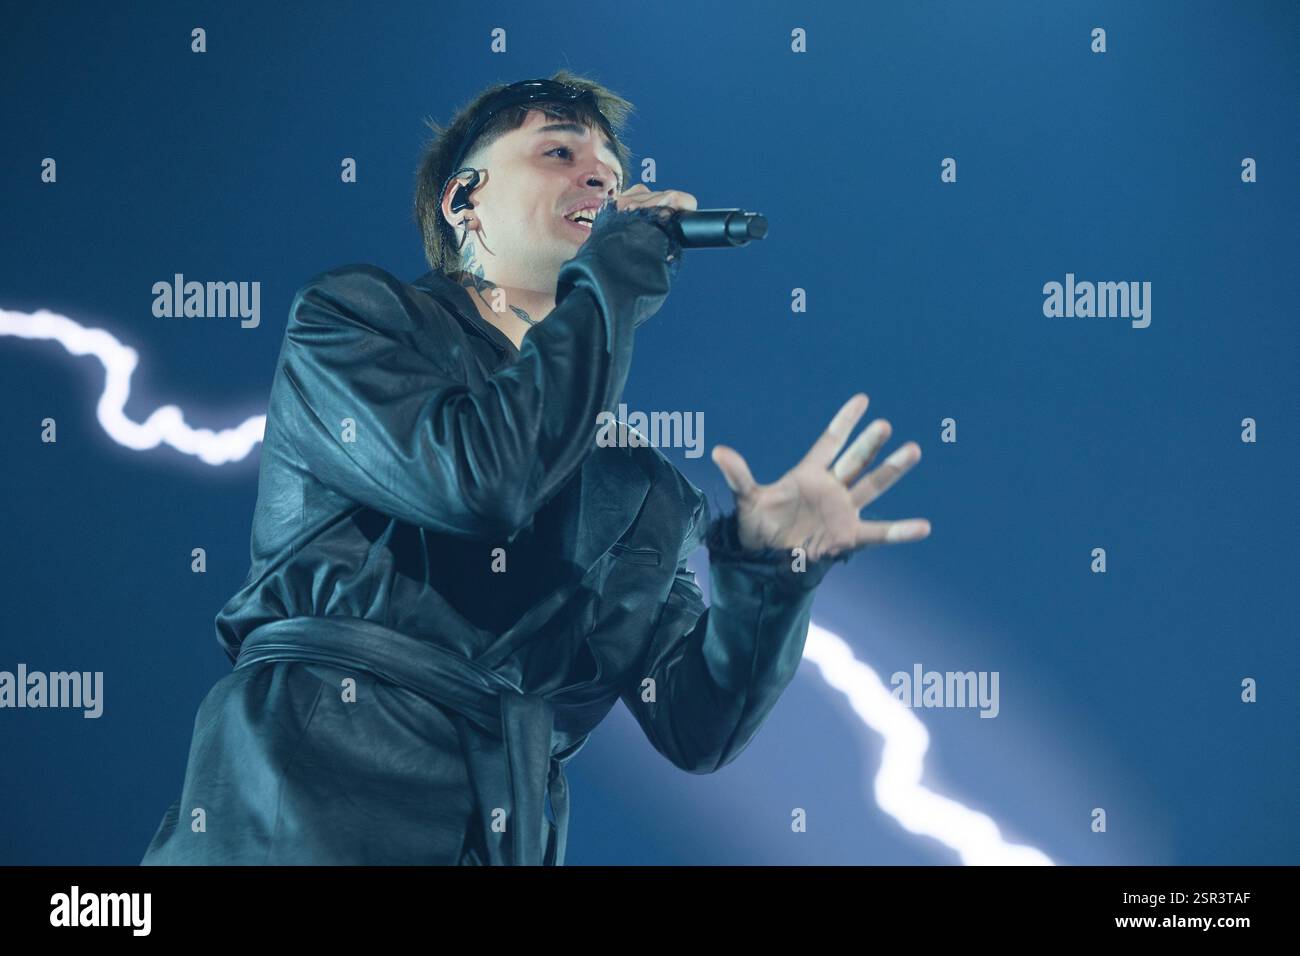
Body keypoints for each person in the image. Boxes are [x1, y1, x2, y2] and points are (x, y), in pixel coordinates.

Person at [140, 70, 931, 866]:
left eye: (612, 174)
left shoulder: (647, 489)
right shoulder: (358, 321)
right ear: (463, 202)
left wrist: (769, 574)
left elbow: (699, 727)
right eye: (559, 151)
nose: (600, 177)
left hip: (503, 826)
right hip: (314, 794)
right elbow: (480, 478)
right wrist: (617, 275)